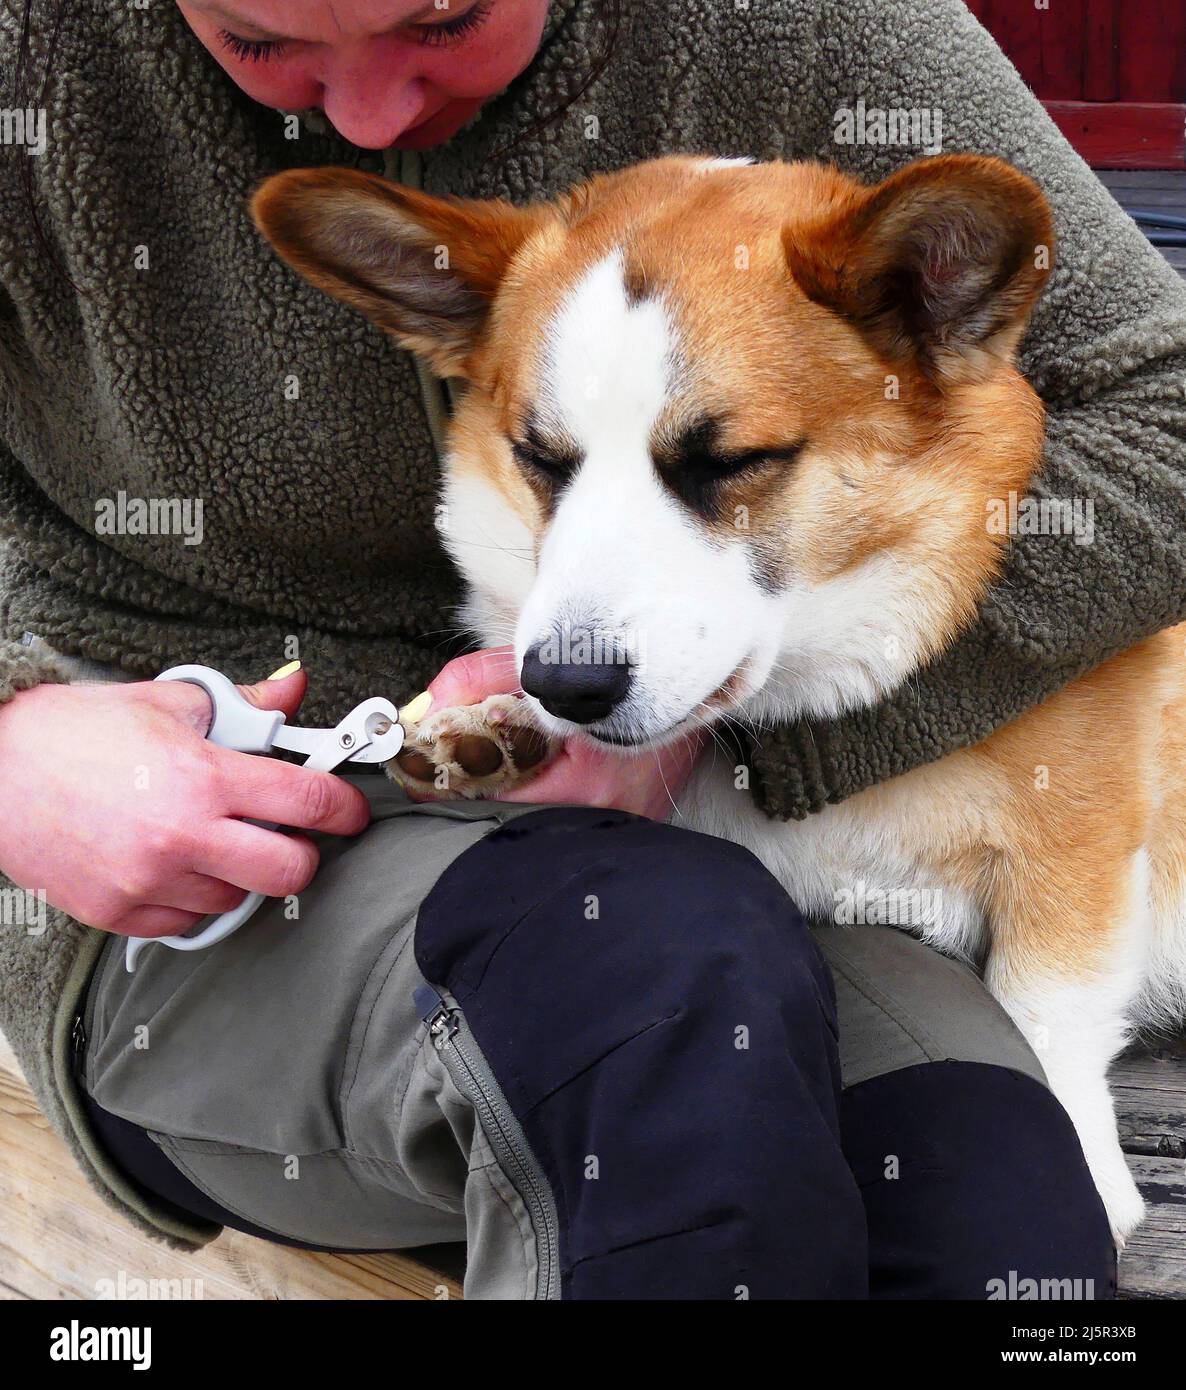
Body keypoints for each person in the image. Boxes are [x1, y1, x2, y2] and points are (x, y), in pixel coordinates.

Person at [2, 0, 1181, 1299]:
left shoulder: (805, 30)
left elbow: (1163, 423)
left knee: (992, 1229)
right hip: (214, 894)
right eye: (260, 42)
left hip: (758, 872)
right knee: (660, 989)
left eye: (441, 20)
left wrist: (746, 721)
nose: (370, 111)